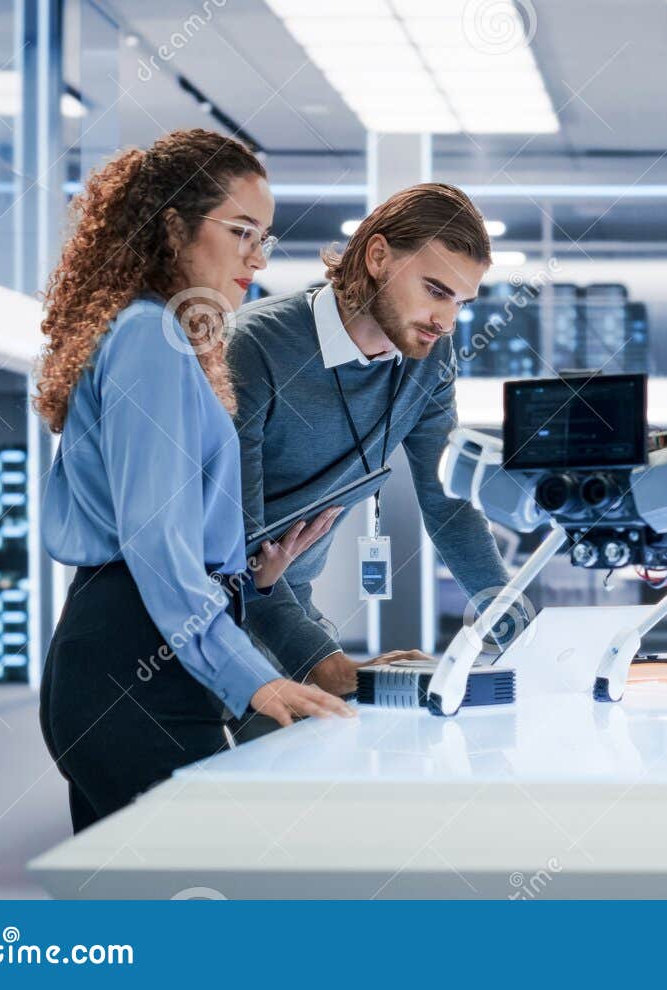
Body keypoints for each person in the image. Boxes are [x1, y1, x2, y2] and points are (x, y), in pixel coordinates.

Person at [35, 129, 353, 832]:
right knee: (212, 887)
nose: (257, 257)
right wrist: (254, 677)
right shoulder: (152, 337)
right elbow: (156, 543)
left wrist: (251, 576)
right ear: (172, 228)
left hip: (126, 652)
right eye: (241, 231)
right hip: (129, 660)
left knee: (140, 913)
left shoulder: (157, 333)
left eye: (265, 238)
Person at [227, 183, 509, 699]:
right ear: (378, 256)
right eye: (436, 291)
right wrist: (324, 663)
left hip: (290, 617)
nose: (446, 322)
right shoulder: (254, 347)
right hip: (212, 623)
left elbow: (450, 507)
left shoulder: (430, 362)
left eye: (462, 303)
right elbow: (236, 545)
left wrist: (516, 628)